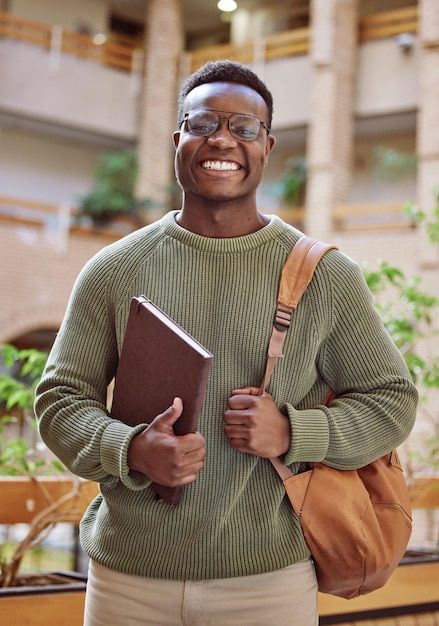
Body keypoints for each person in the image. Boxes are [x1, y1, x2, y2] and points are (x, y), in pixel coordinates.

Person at [35, 60, 417, 626]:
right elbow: (59, 401)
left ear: (266, 146)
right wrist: (132, 449)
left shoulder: (325, 277)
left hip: (269, 583)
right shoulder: (113, 270)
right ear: (178, 140)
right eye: (203, 123)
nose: (222, 139)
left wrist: (294, 432)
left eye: (243, 128)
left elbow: (392, 402)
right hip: (127, 580)